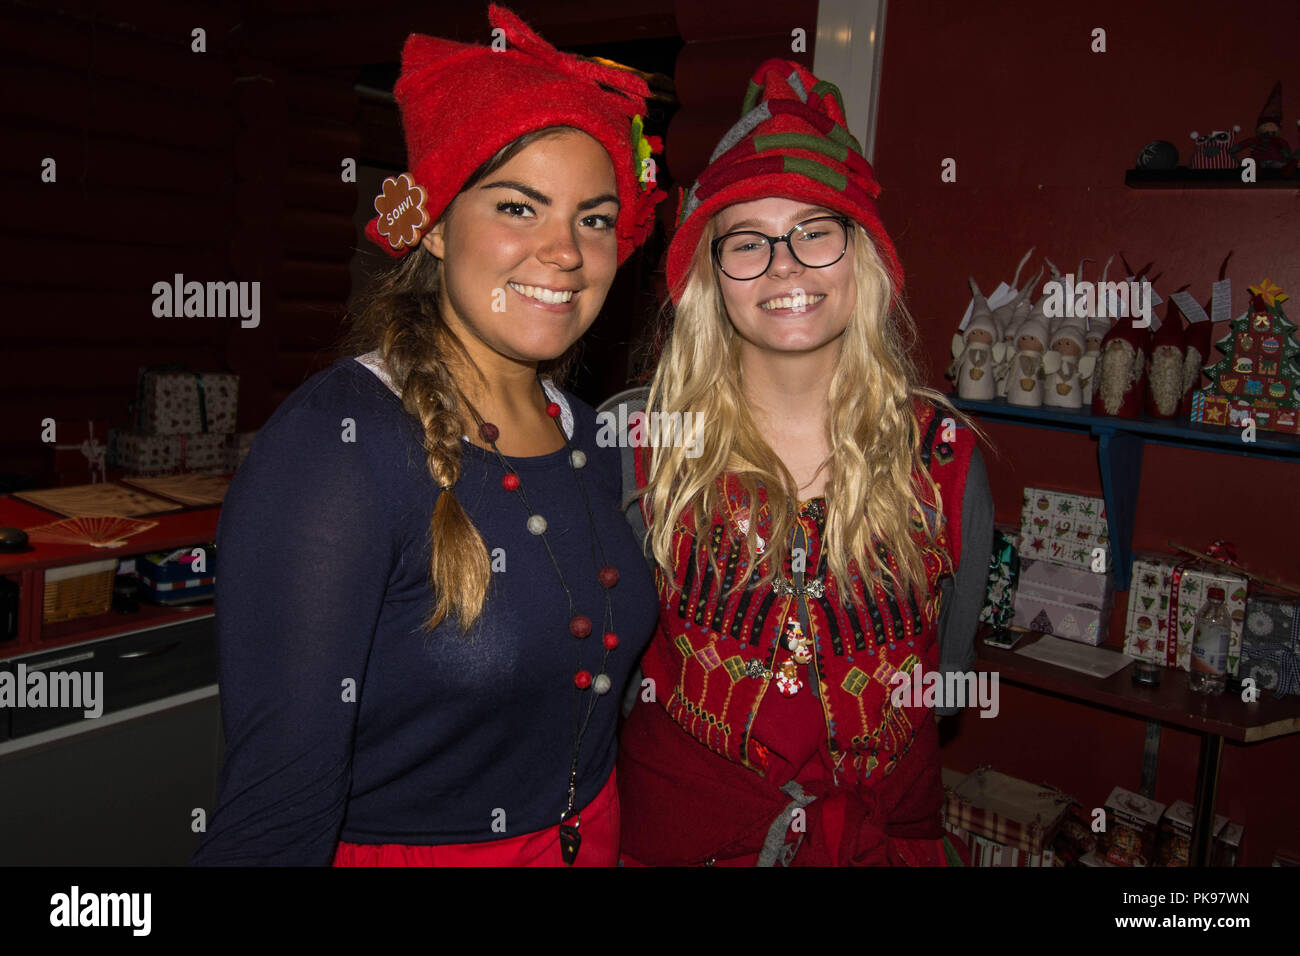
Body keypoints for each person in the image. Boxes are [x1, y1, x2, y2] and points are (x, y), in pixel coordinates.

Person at [192, 5, 665, 867]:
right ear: (438, 227)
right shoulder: (338, 448)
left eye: (595, 219)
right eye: (520, 207)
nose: (564, 252)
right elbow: (272, 819)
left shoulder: (597, 440)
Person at [612, 58, 994, 866]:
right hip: (678, 840)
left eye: (816, 231)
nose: (785, 264)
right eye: (746, 242)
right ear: (709, 279)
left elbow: (947, 676)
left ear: (863, 259)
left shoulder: (947, 458)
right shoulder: (640, 445)